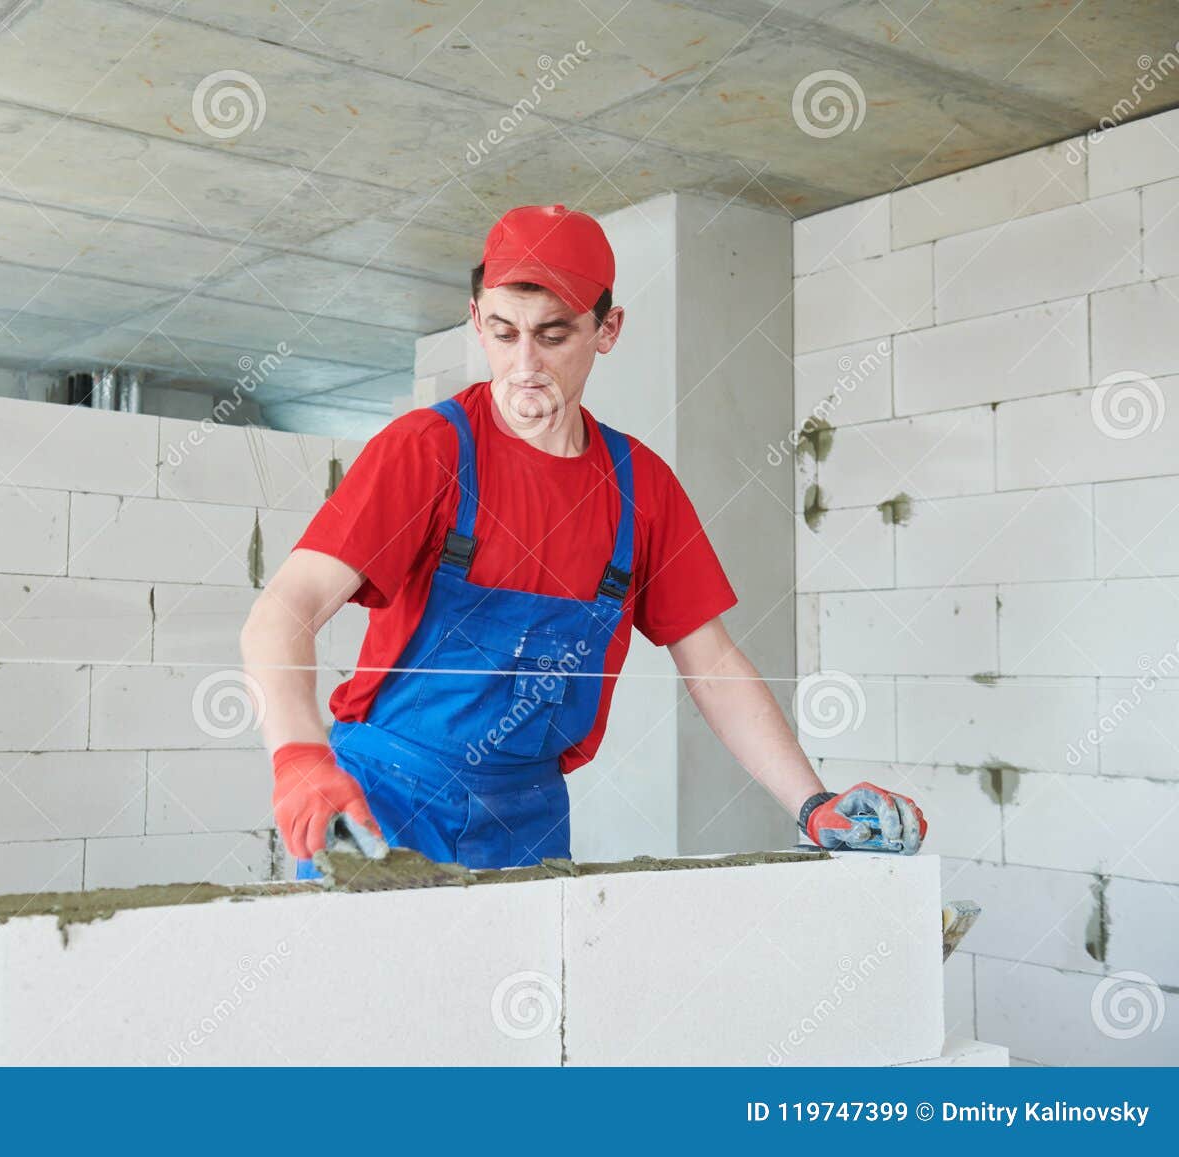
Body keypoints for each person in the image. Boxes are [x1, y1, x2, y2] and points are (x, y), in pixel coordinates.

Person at [239, 204, 925, 876]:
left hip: (527, 820)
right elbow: (284, 608)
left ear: (608, 328)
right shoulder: (429, 450)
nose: (525, 363)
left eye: (554, 334)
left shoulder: (641, 490)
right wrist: (299, 756)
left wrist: (812, 803)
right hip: (381, 806)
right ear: (476, 318)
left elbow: (712, 662)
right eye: (503, 333)